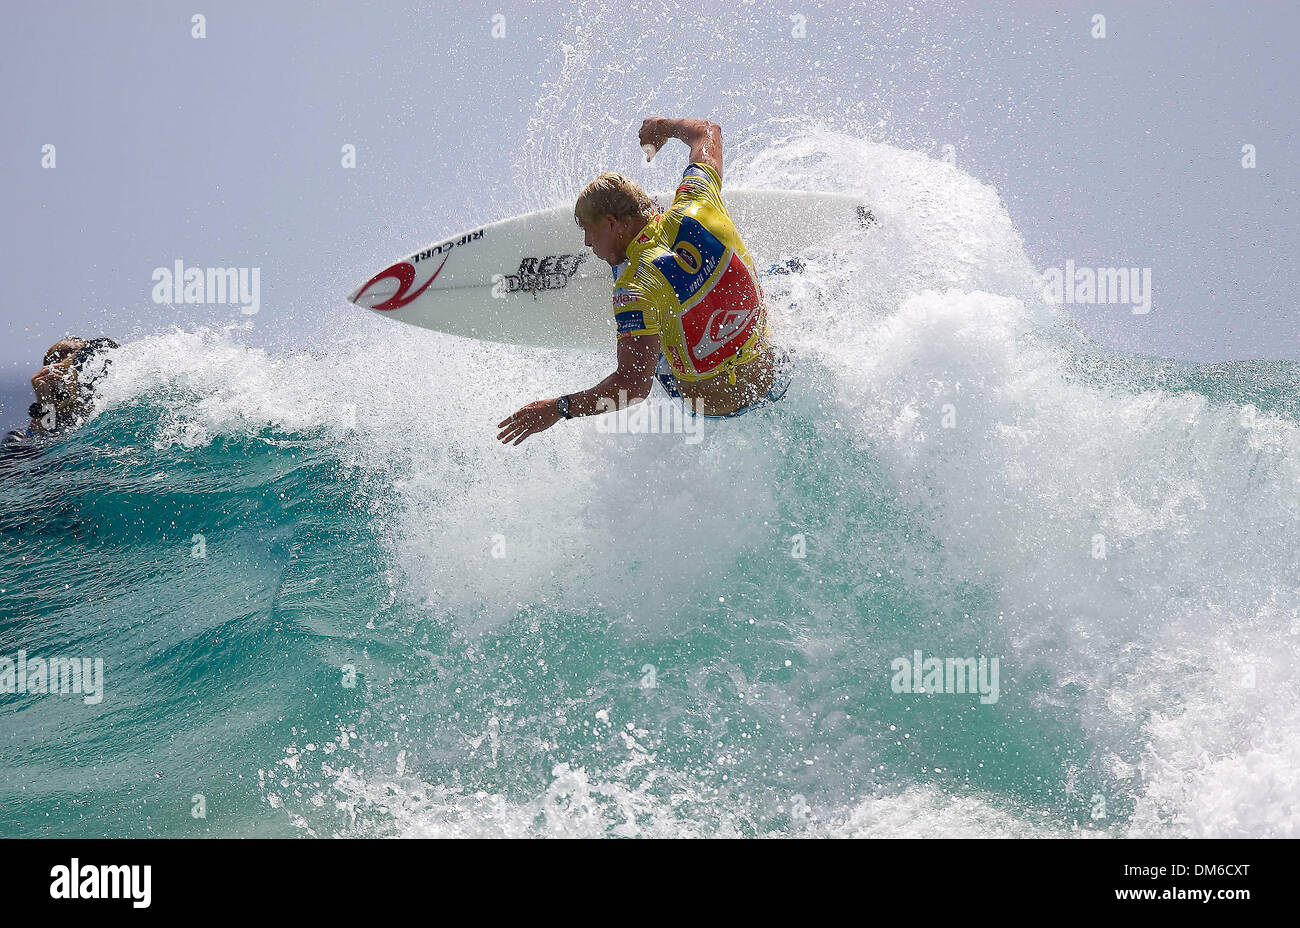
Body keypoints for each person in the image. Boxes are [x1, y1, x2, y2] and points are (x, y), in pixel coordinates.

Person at [496, 116, 793, 445]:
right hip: (774, 374)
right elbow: (707, 133)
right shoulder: (698, 199)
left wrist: (559, 408)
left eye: (589, 232)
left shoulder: (631, 288)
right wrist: (664, 127)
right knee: (764, 281)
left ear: (611, 222)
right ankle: (656, 219)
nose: (586, 245)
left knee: (642, 293)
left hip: (712, 405)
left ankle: (645, 291)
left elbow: (633, 387)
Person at [9, 337, 119, 443]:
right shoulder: (17, 437)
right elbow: (36, 450)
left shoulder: (110, 411)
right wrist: (45, 401)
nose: (80, 376)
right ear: (49, 377)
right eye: (65, 372)